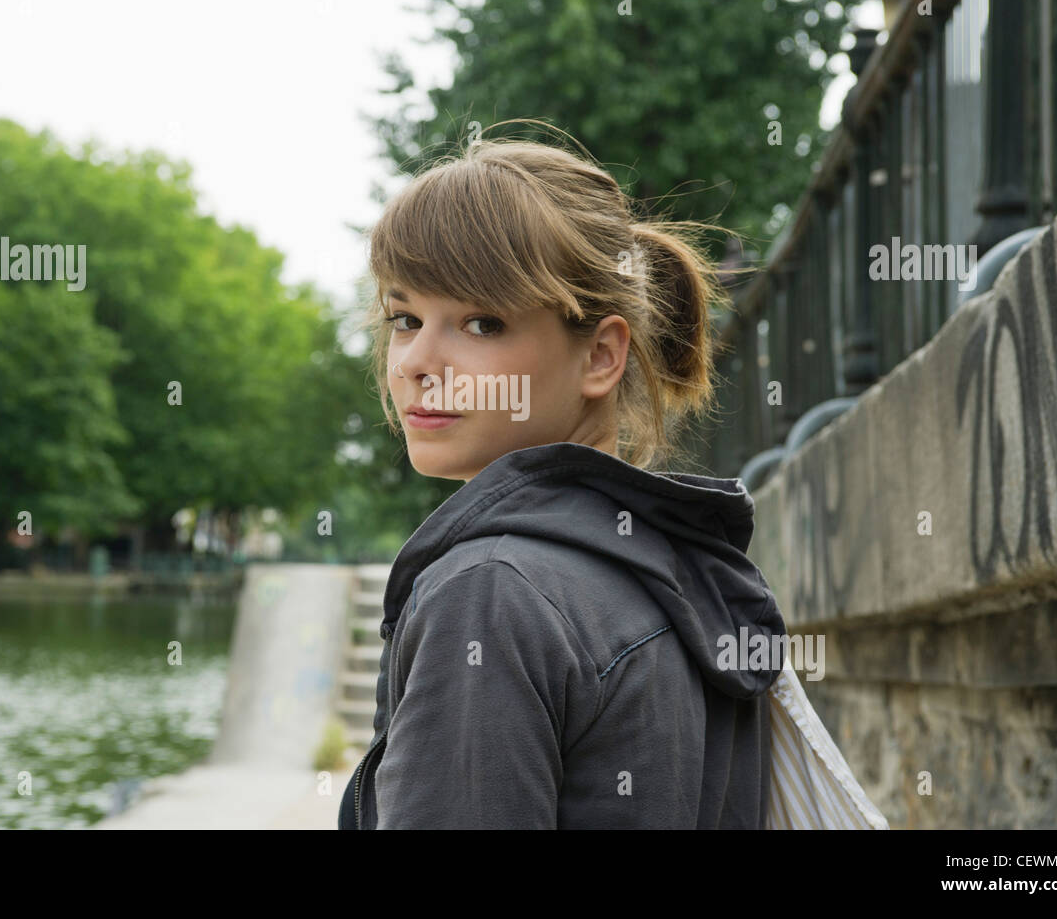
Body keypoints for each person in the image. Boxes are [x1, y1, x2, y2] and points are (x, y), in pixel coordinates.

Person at [337, 124, 787, 829]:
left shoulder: (488, 593)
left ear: (601, 356)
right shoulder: (676, 567)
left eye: (481, 323)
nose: (416, 361)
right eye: (405, 317)